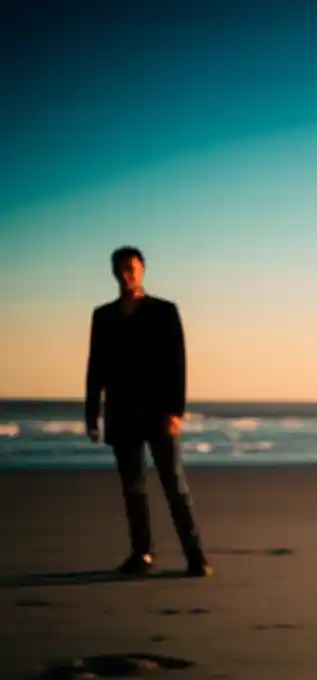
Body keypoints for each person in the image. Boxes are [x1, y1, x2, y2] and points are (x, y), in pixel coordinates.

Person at [85, 246, 212, 578]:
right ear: (113, 272)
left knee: (175, 485)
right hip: (121, 412)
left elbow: (177, 362)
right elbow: (95, 367)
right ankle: (142, 554)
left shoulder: (164, 311)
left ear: (143, 270)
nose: (127, 274)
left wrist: (175, 411)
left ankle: (196, 556)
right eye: (121, 269)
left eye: (132, 268)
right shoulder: (104, 316)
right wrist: (91, 414)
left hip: (157, 411)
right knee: (133, 487)